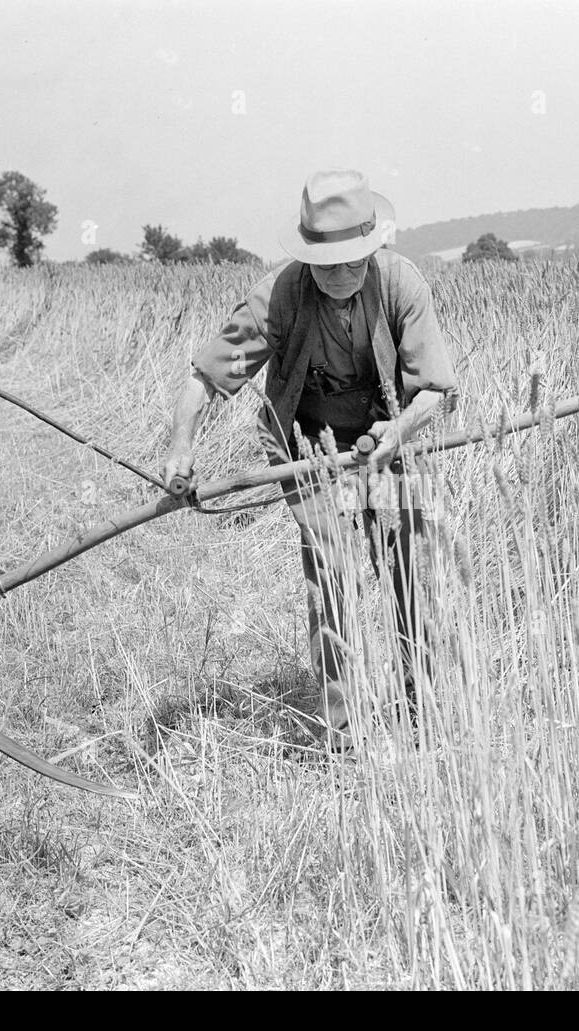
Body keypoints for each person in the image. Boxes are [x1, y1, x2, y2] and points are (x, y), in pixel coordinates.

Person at [161, 168, 458, 746]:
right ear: (306, 256)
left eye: (354, 261)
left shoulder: (402, 284)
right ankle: (343, 730)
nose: (342, 274)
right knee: (332, 574)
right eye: (327, 264)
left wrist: (396, 431)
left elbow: (434, 391)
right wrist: (180, 449)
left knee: (411, 568)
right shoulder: (279, 295)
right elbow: (204, 376)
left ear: (375, 246)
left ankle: (423, 711)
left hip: (390, 448)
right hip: (308, 454)